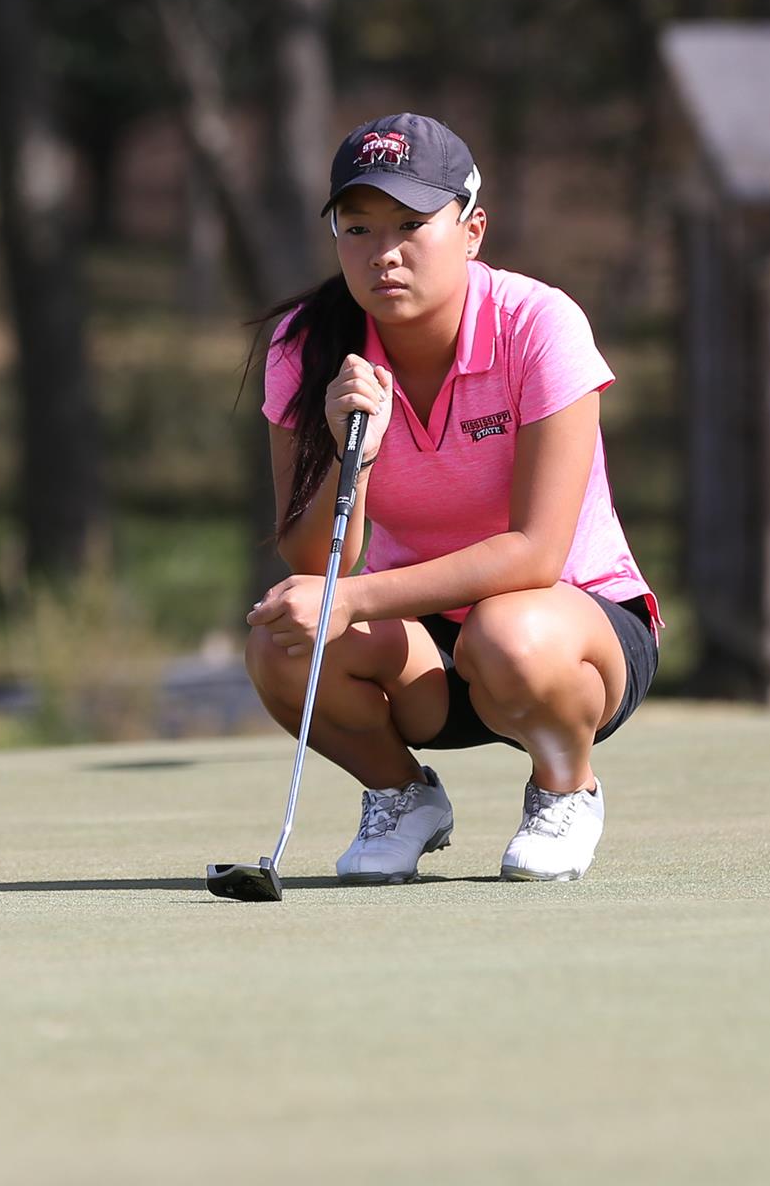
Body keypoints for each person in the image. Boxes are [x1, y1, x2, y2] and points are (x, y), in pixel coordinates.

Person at [244, 112, 658, 884]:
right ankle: (403, 797)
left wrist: (350, 598)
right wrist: (351, 458)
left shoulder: (538, 325)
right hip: (425, 648)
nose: (384, 252)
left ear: (472, 231)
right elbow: (309, 559)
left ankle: (565, 789)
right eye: (358, 228)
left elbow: (536, 553)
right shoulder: (308, 344)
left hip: (568, 633)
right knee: (282, 641)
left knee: (506, 633)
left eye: (411, 224)